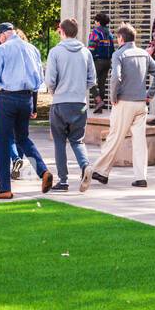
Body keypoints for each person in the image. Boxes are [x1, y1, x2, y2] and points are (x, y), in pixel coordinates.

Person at [0, 22, 53, 199]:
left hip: (7, 97)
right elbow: (39, 78)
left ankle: (4, 188)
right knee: (22, 138)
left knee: (3, 141)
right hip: (27, 98)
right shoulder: (32, 49)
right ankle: (43, 171)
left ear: (3, 35)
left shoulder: (3, 50)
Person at [91, 23, 155, 188]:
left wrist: (113, 96)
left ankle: (101, 172)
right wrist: (150, 94)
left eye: (117, 38)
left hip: (124, 102)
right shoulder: (144, 54)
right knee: (139, 142)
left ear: (121, 38)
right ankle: (141, 177)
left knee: (114, 137)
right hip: (140, 104)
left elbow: (116, 76)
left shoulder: (119, 54)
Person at [44, 18, 96, 192]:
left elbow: (50, 79)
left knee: (59, 141)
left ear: (62, 31)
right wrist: (80, 89)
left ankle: (63, 180)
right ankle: (85, 165)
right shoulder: (86, 52)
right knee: (77, 140)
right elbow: (92, 79)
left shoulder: (55, 52)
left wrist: (54, 91)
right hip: (80, 103)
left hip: (60, 102)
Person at [87, 11, 115, 114]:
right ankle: (99, 107)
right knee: (102, 84)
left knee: (89, 80)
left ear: (98, 22)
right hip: (108, 61)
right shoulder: (110, 34)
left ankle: (98, 100)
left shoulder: (95, 32)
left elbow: (91, 47)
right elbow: (112, 49)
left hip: (97, 61)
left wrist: (89, 58)